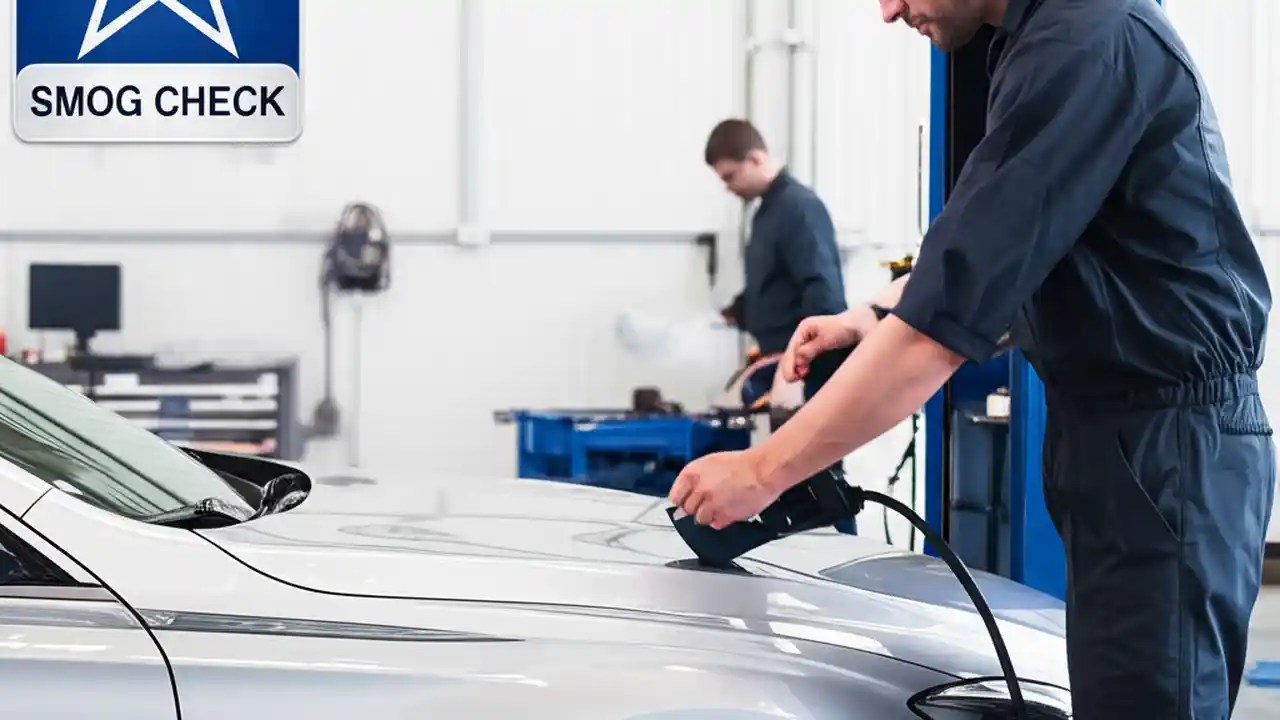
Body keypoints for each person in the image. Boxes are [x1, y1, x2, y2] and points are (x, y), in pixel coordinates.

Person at [670, 1, 1275, 718]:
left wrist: (762, 472)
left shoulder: (1088, 42)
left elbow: (944, 328)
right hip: (1128, 440)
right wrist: (869, 319)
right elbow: (1001, 252)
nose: (890, 10)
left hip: (1165, 447)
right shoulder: (1046, 44)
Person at [704, 119, 858, 532]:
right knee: (794, 488)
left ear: (755, 158)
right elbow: (776, 284)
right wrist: (741, 309)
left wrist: (801, 374)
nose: (728, 187)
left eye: (730, 176)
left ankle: (842, 572)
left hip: (806, 371)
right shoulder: (768, 213)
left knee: (818, 483)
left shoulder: (797, 208)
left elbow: (822, 294)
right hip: (786, 370)